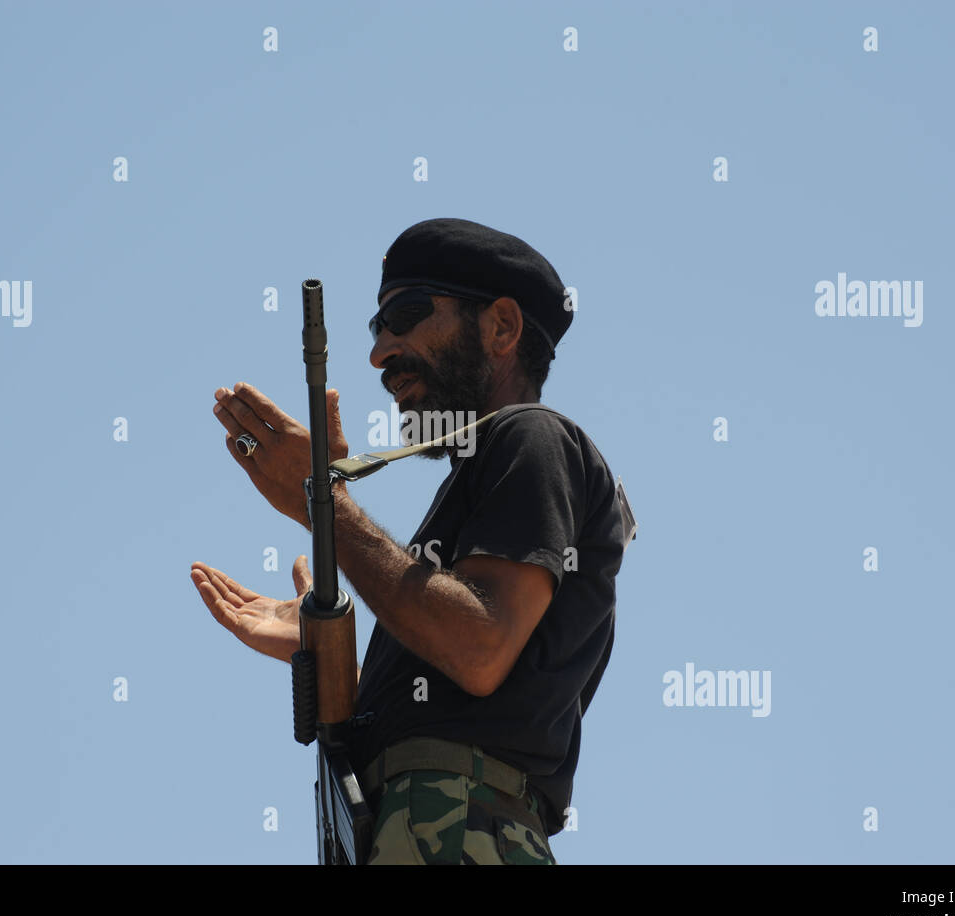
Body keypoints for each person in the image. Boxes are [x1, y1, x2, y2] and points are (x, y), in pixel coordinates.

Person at [191, 218, 633, 864]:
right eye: (377, 329)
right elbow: (448, 697)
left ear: (501, 328)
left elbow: (479, 647)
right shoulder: (467, 499)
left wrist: (326, 508)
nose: (379, 353)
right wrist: (331, 649)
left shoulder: (532, 437)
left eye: (406, 314)